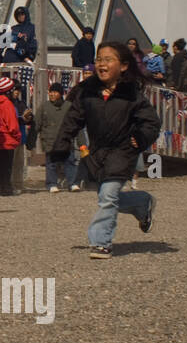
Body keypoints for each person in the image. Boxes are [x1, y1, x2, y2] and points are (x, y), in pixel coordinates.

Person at [50, 41, 159, 259]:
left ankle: (101, 242)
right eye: (99, 59)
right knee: (106, 195)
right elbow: (72, 121)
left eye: (108, 59)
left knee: (108, 195)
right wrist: (60, 147)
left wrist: (140, 138)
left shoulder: (132, 94)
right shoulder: (87, 92)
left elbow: (151, 122)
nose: (101, 64)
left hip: (123, 150)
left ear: (124, 66)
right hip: (98, 152)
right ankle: (142, 202)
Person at [37, 82, 72, 192]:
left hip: (65, 139)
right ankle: (51, 184)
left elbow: (75, 124)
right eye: (50, 92)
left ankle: (72, 183)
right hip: (49, 139)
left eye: (54, 92)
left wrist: (82, 143)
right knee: (51, 163)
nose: (52, 94)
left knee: (69, 162)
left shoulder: (68, 106)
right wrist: (31, 140)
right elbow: (37, 123)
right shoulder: (44, 106)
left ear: (60, 94)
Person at [0, 77, 22, 197]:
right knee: (7, 166)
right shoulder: (7, 104)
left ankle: (3, 188)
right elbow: (12, 125)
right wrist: (17, 135)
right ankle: (7, 189)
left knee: (2, 165)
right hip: (8, 138)